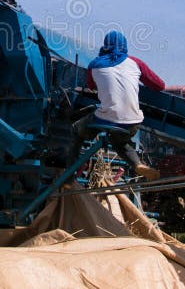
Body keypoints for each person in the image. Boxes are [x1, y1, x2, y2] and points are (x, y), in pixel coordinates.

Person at [70, 30, 165, 181]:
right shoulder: (135, 62)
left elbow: (91, 85)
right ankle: (137, 164)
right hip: (134, 121)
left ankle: (71, 170)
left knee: (77, 129)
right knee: (119, 141)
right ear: (124, 46)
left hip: (107, 118)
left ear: (105, 45)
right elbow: (160, 85)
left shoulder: (94, 64)